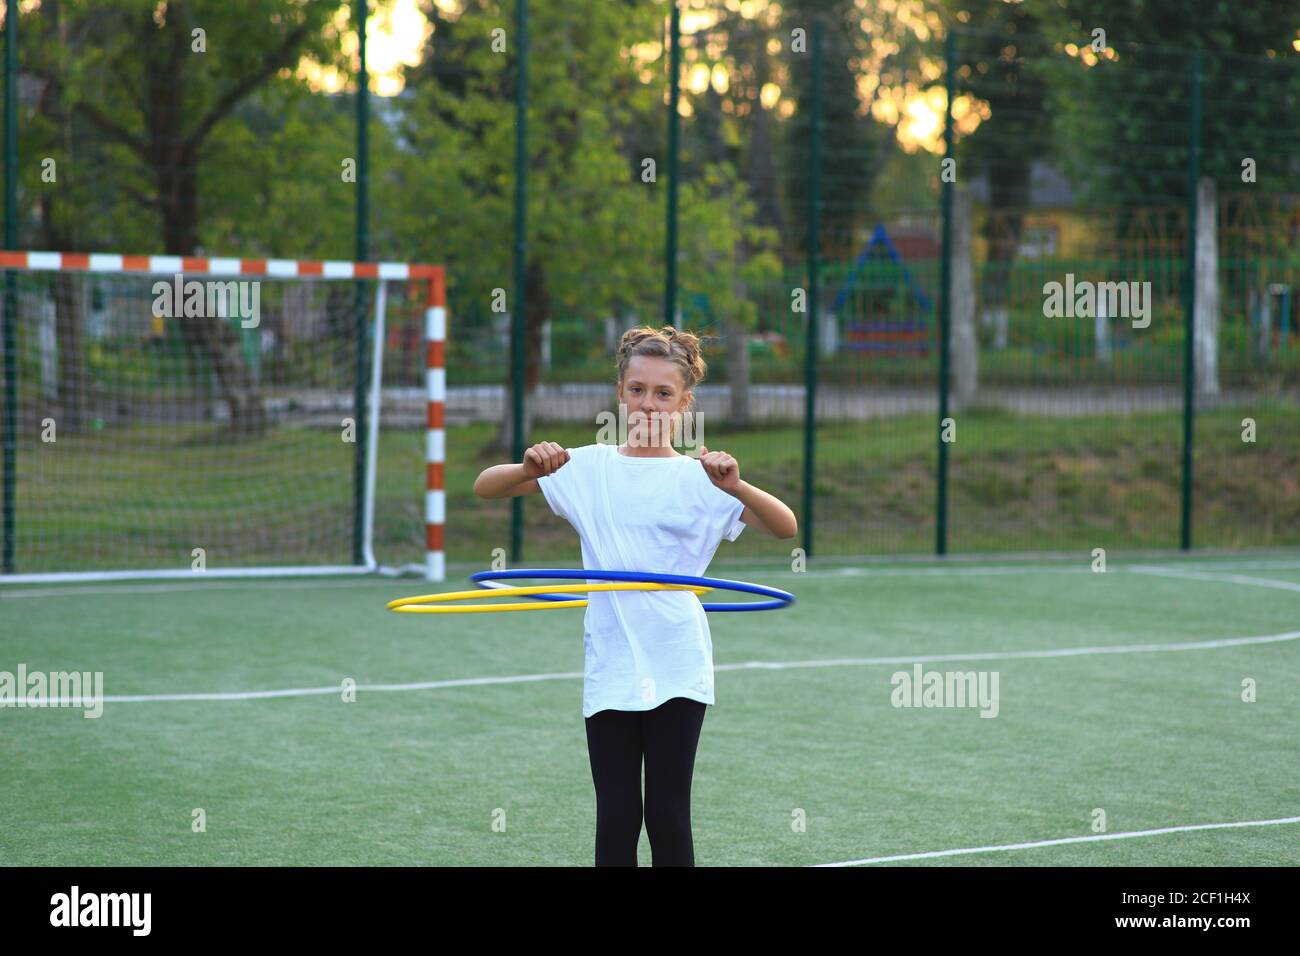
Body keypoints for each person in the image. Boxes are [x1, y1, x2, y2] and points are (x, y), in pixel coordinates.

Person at [473, 325, 798, 866]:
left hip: (677, 660)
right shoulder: (587, 468)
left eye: (664, 393)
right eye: (637, 390)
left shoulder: (702, 479)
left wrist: (736, 485)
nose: (649, 403)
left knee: (667, 813)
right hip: (612, 661)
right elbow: (487, 485)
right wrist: (528, 468)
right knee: (617, 815)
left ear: (685, 403)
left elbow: (784, 527)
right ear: (619, 393)